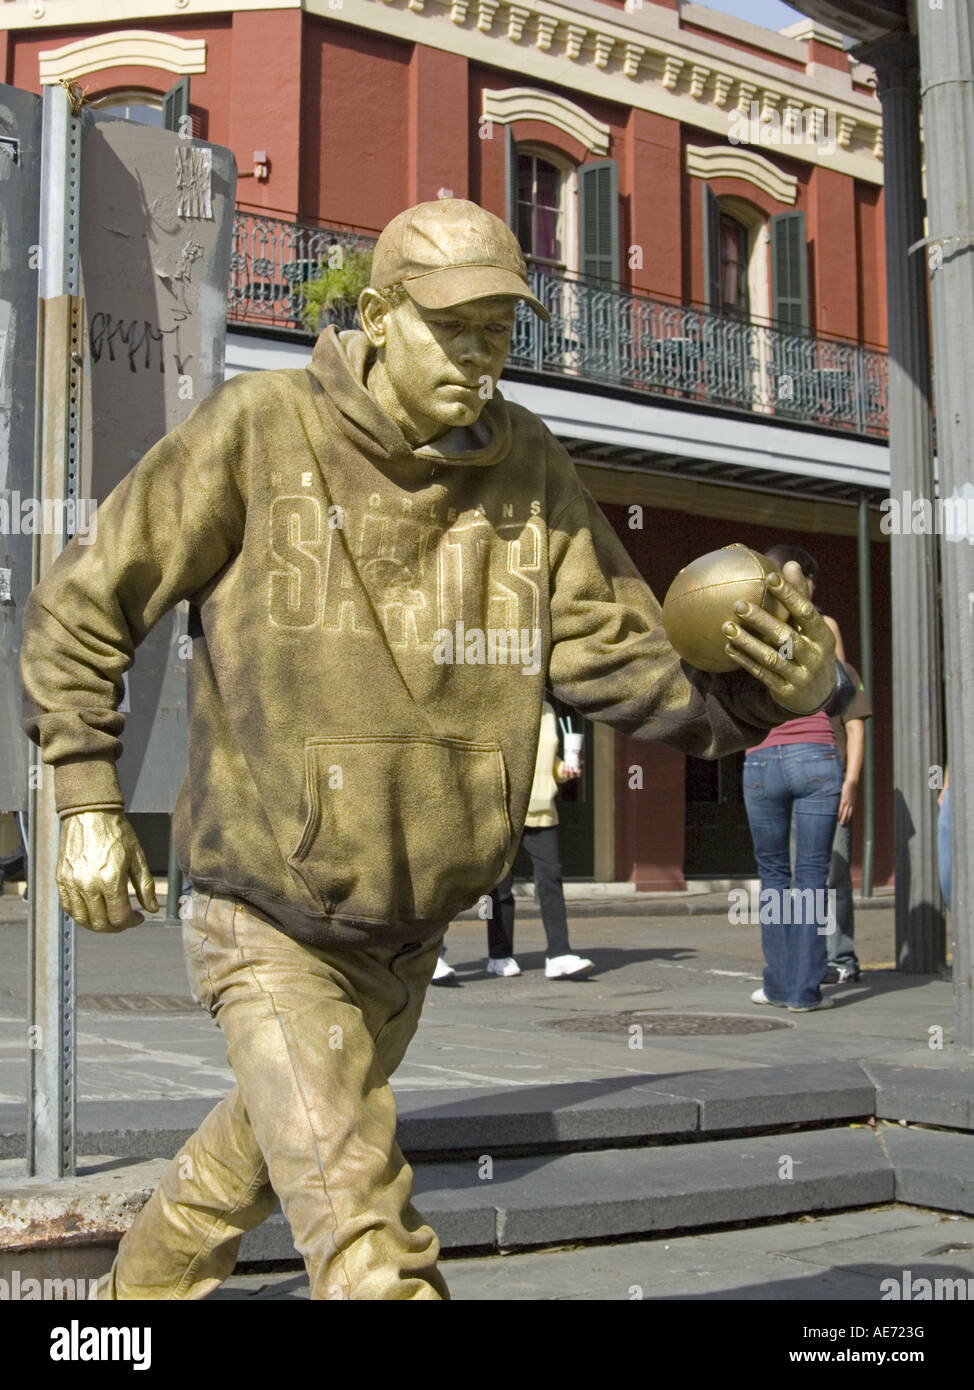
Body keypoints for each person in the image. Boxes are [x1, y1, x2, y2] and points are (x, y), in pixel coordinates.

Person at [21, 199, 840, 1301]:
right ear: (374, 315)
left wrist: (752, 692)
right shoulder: (258, 428)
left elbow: (616, 658)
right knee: (368, 1242)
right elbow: (82, 604)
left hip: (408, 941)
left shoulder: (528, 468)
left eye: (497, 329)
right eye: (450, 325)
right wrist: (84, 796)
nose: (477, 353)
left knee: (238, 1174)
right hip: (267, 914)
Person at [743, 543, 848, 1013]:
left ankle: (777, 983)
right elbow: (841, 689)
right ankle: (804, 992)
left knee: (773, 877)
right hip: (815, 754)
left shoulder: (751, 628)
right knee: (809, 877)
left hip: (762, 758)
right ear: (807, 585)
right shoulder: (825, 627)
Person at [486, 699, 592, 979]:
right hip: (505, 812)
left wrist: (563, 771)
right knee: (500, 888)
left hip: (544, 811)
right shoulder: (500, 707)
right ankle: (499, 955)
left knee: (551, 880)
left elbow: (548, 761)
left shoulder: (547, 710)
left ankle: (559, 954)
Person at [823, 664, 871, 984]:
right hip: (796, 776)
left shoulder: (844, 676)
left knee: (835, 873)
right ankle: (810, 958)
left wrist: (850, 783)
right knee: (804, 876)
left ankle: (841, 958)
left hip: (833, 781)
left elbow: (855, 729)